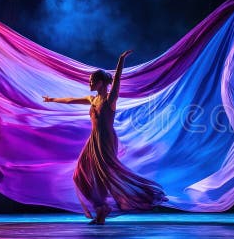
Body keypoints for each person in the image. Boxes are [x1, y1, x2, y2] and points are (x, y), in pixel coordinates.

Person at [43, 50, 167, 225]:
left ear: (101, 83)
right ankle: (101, 207)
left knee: (104, 175)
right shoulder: (92, 99)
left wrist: (121, 60)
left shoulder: (110, 100)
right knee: (80, 174)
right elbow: (71, 100)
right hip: (93, 140)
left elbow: (116, 82)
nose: (89, 83)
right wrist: (52, 99)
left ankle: (127, 201)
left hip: (107, 140)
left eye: (92, 80)